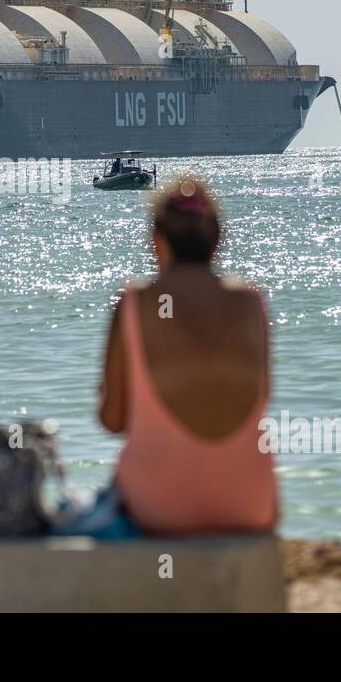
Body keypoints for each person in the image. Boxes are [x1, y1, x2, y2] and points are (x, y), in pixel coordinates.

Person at [97, 175, 277, 534]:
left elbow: (113, 419)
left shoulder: (135, 301)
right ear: (217, 240)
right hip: (250, 504)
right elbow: (263, 398)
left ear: (156, 242)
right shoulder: (251, 301)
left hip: (158, 506)